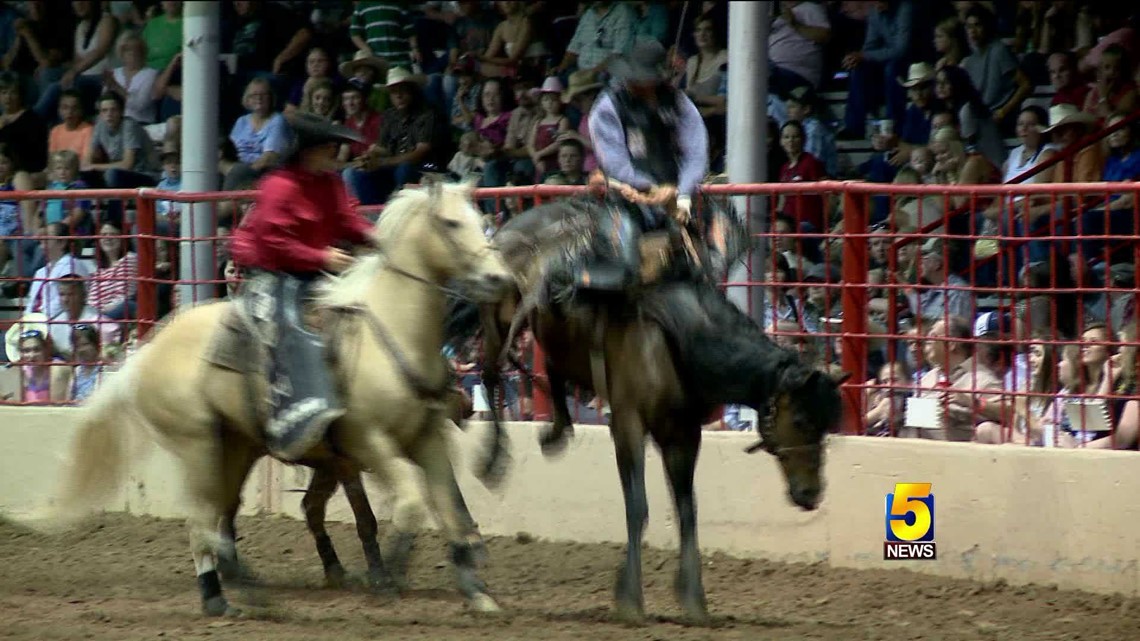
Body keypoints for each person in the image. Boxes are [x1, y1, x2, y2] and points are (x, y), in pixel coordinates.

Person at [229, 113, 377, 462]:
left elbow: (346, 219)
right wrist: (321, 257)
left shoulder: (330, 182)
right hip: (275, 274)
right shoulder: (279, 185)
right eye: (331, 148)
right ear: (311, 151)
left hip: (315, 271)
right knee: (293, 327)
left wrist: (376, 236)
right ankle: (298, 410)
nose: (337, 154)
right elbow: (272, 241)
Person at [582, 40, 711, 291]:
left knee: (709, 261)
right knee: (624, 264)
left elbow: (696, 153)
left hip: (676, 197)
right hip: (627, 198)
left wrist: (683, 194)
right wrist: (654, 190)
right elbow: (616, 163)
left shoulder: (677, 102)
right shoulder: (608, 107)